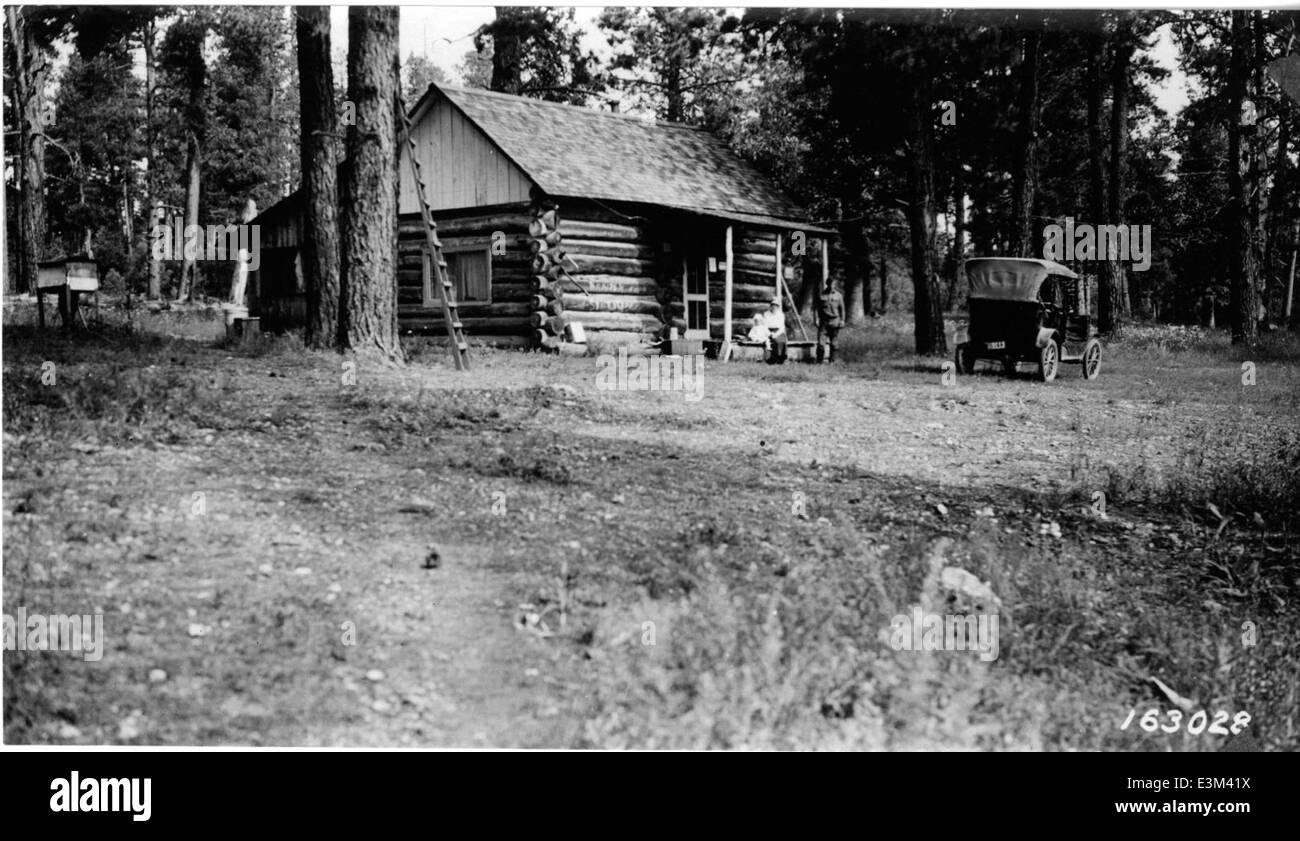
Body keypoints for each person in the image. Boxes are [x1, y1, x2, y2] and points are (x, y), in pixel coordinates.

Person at [816, 279, 846, 363]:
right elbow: (816, 308)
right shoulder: (821, 295)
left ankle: (832, 361)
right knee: (821, 343)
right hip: (824, 322)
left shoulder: (838, 295)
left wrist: (842, 320)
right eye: (830, 284)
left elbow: (842, 309)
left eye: (833, 284)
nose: (831, 286)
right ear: (827, 284)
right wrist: (816, 319)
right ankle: (819, 361)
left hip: (835, 321)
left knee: (834, 343)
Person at [761, 298, 787, 364]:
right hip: (768, 332)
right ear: (770, 306)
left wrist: (777, 334)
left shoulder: (781, 315)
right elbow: (764, 326)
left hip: (778, 332)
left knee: (781, 341)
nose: (774, 307)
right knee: (771, 342)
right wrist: (770, 334)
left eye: (776, 306)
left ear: (778, 307)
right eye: (772, 305)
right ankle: (772, 359)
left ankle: (780, 359)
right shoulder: (766, 314)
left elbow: (782, 327)